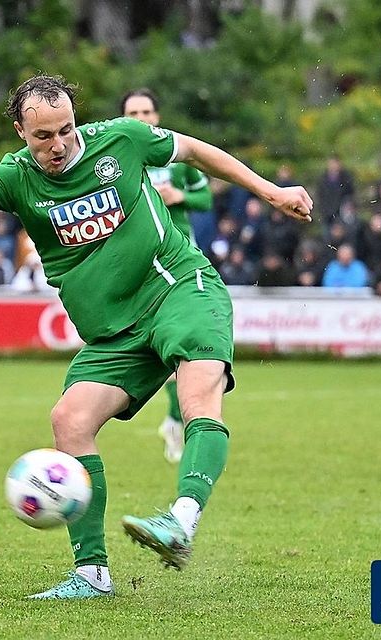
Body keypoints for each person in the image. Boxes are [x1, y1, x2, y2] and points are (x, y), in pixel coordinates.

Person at [0, 74, 312, 599]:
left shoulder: (122, 138)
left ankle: (182, 520)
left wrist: (271, 191)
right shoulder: (15, 178)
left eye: (64, 130)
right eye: (42, 136)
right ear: (20, 131)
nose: (56, 145)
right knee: (69, 419)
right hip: (113, 334)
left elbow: (192, 150)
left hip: (176, 288)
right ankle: (92, 573)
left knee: (197, 399)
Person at [121, 88, 214, 466]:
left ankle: (176, 420)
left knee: (182, 350)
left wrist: (179, 197)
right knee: (164, 353)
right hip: (137, 266)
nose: (141, 118)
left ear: (157, 117)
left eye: (147, 111)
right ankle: (176, 418)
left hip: (179, 261)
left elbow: (205, 200)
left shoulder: (178, 160)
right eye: (133, 112)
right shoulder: (116, 161)